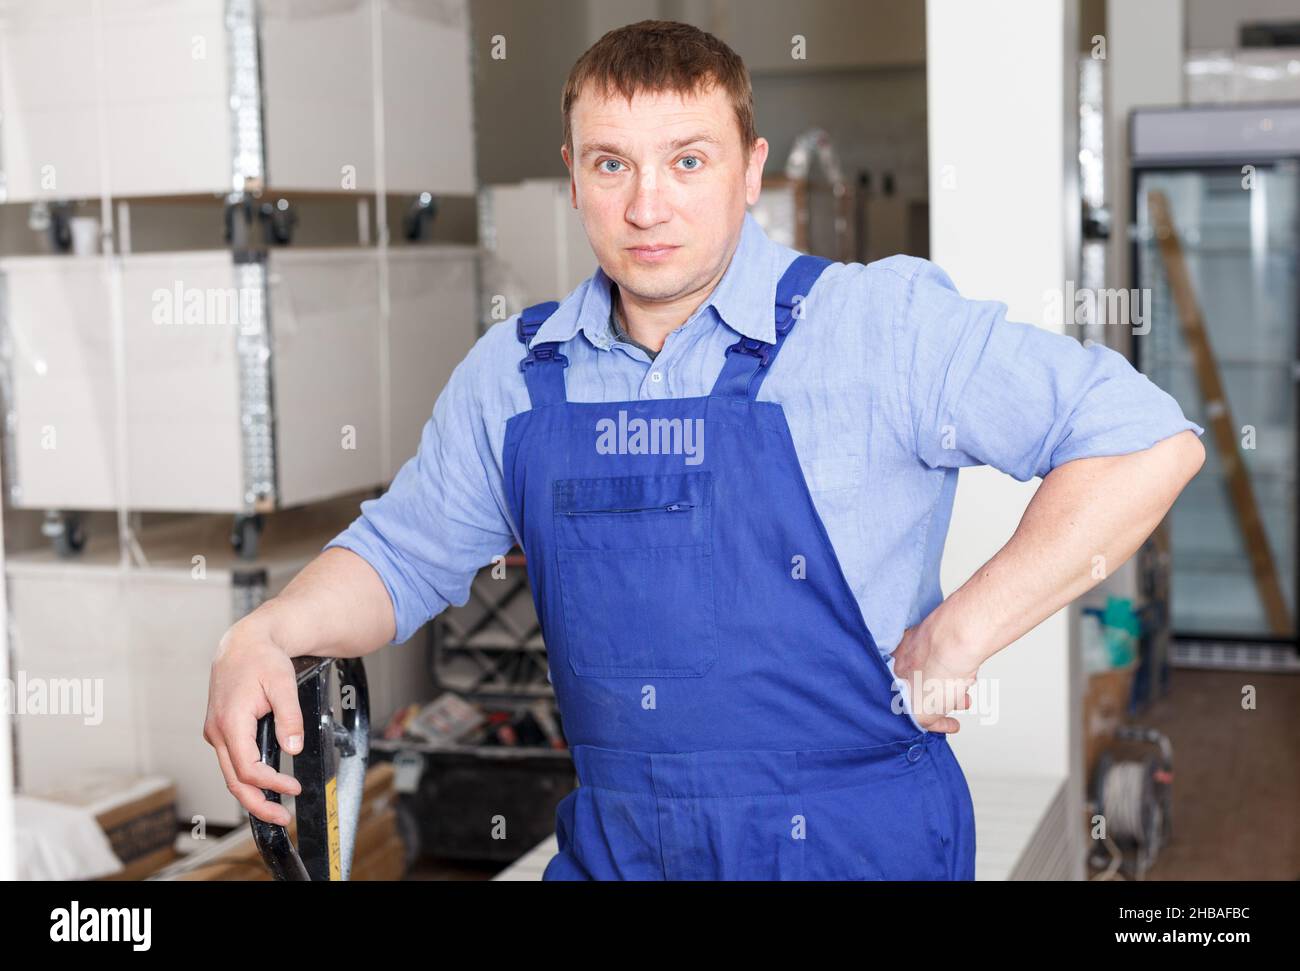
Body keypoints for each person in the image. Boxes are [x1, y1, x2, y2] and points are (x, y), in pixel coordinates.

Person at [204, 20, 1205, 880]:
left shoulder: (876, 325)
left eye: (687, 160)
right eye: (611, 165)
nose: (647, 207)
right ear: (574, 178)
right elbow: (402, 555)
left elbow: (1144, 440)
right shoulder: (513, 375)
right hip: (623, 846)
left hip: (851, 845)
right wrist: (268, 630)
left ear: (751, 169)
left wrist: (964, 629)